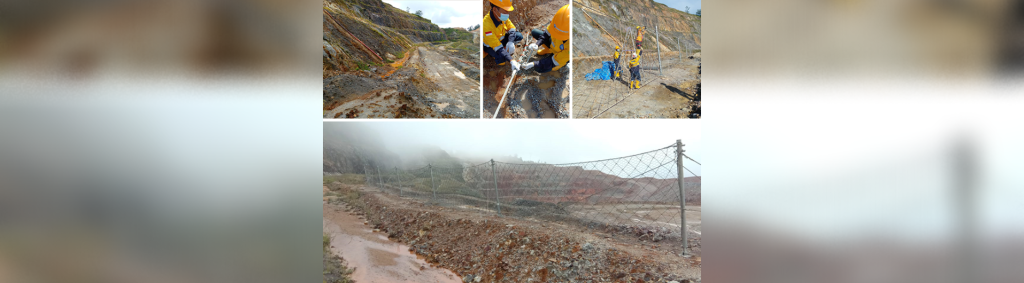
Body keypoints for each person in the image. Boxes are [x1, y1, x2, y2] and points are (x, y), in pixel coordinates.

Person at [518, 5, 570, 74]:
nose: (557, 35)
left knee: (539, 68)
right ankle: (548, 50)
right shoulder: (557, 22)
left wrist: (533, 64)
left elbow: (552, 61)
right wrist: (537, 44)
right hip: (554, 45)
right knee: (535, 32)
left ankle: (561, 65)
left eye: (560, 35)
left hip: (559, 56)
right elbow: (546, 34)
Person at [482, 0, 523, 69]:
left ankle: (505, 50)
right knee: (502, 59)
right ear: (495, 9)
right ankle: (497, 55)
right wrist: (511, 60)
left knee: (518, 36)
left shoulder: (501, 15)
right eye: (505, 11)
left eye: (508, 11)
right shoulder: (486, 25)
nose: (507, 14)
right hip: (491, 46)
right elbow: (497, 46)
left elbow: (512, 28)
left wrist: (510, 42)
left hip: (501, 40)